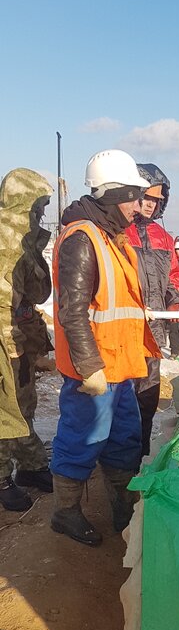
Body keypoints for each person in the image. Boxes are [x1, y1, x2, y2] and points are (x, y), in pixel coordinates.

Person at [50, 149, 160, 546]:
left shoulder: (111, 238)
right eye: (133, 196)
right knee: (81, 439)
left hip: (121, 366)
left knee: (124, 439)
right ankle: (65, 512)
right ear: (113, 194)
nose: (139, 206)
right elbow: (72, 312)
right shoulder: (83, 239)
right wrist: (89, 367)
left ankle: (121, 504)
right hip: (94, 372)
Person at [0, 168, 54, 511]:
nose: (43, 214)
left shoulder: (24, 236)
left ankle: (30, 467)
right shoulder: (5, 237)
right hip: (7, 340)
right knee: (5, 410)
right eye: (40, 207)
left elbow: (37, 290)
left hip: (21, 336)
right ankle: (2, 477)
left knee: (23, 405)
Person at [125, 165, 179, 454]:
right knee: (121, 399)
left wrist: (174, 302)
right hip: (123, 331)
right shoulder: (118, 232)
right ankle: (117, 462)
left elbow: (173, 278)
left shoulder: (164, 238)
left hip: (154, 332)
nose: (149, 203)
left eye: (155, 199)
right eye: (145, 196)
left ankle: (140, 455)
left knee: (148, 398)